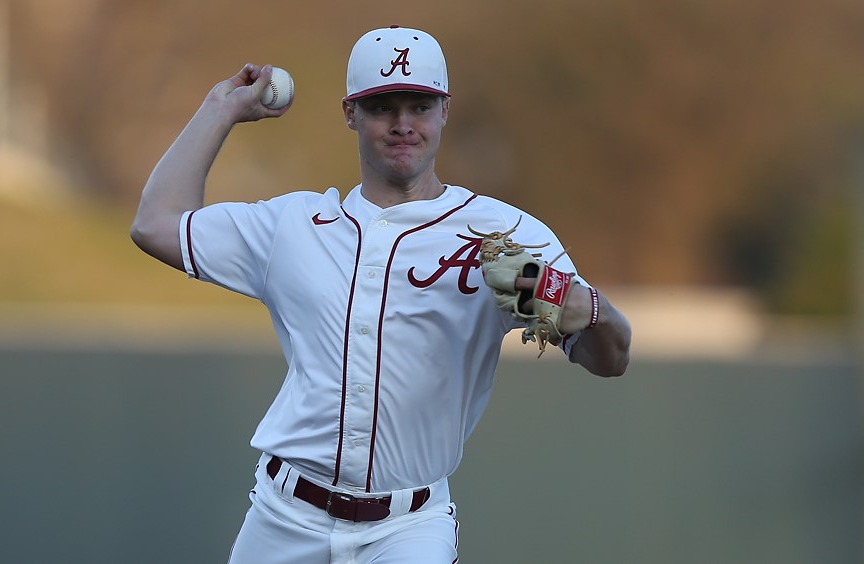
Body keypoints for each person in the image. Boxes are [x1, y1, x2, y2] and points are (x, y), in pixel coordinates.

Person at [131, 25, 631, 564]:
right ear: (350, 114)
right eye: (382, 107)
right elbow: (156, 225)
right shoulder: (295, 227)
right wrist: (218, 110)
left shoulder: (503, 237)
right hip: (283, 516)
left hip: (408, 528)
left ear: (444, 110)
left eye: (418, 105)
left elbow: (610, 359)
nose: (402, 124)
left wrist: (595, 313)